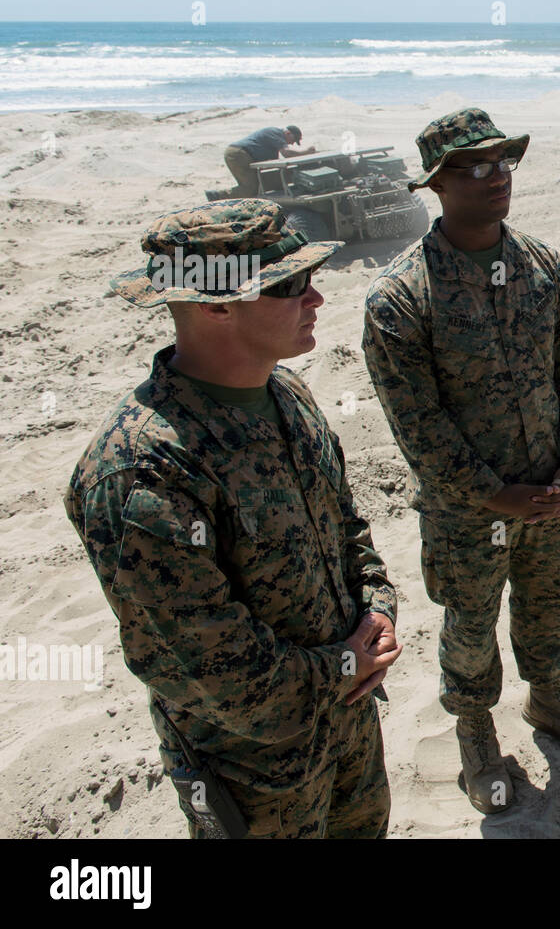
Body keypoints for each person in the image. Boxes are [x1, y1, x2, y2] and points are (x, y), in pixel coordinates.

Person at [64, 198, 402, 838]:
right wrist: (344, 667)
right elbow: (206, 666)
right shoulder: (143, 470)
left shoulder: (285, 393)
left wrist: (378, 608)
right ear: (215, 304)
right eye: (290, 285)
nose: (317, 298)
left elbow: (346, 527)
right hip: (258, 773)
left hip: (348, 725)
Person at [362, 107, 560, 816]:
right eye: (473, 165)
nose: (494, 176)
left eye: (502, 161)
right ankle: (475, 730)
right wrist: (491, 493)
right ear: (435, 184)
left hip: (554, 494)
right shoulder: (401, 300)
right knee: (470, 624)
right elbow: (419, 426)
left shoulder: (549, 270)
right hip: (469, 514)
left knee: (550, 604)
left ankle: (550, 698)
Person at [209, 125, 317, 200]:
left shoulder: (274, 141)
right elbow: (287, 153)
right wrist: (306, 152)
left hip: (240, 154)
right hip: (238, 154)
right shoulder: (276, 133)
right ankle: (217, 196)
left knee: (257, 185)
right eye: (293, 140)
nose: (292, 143)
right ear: (288, 133)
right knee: (251, 188)